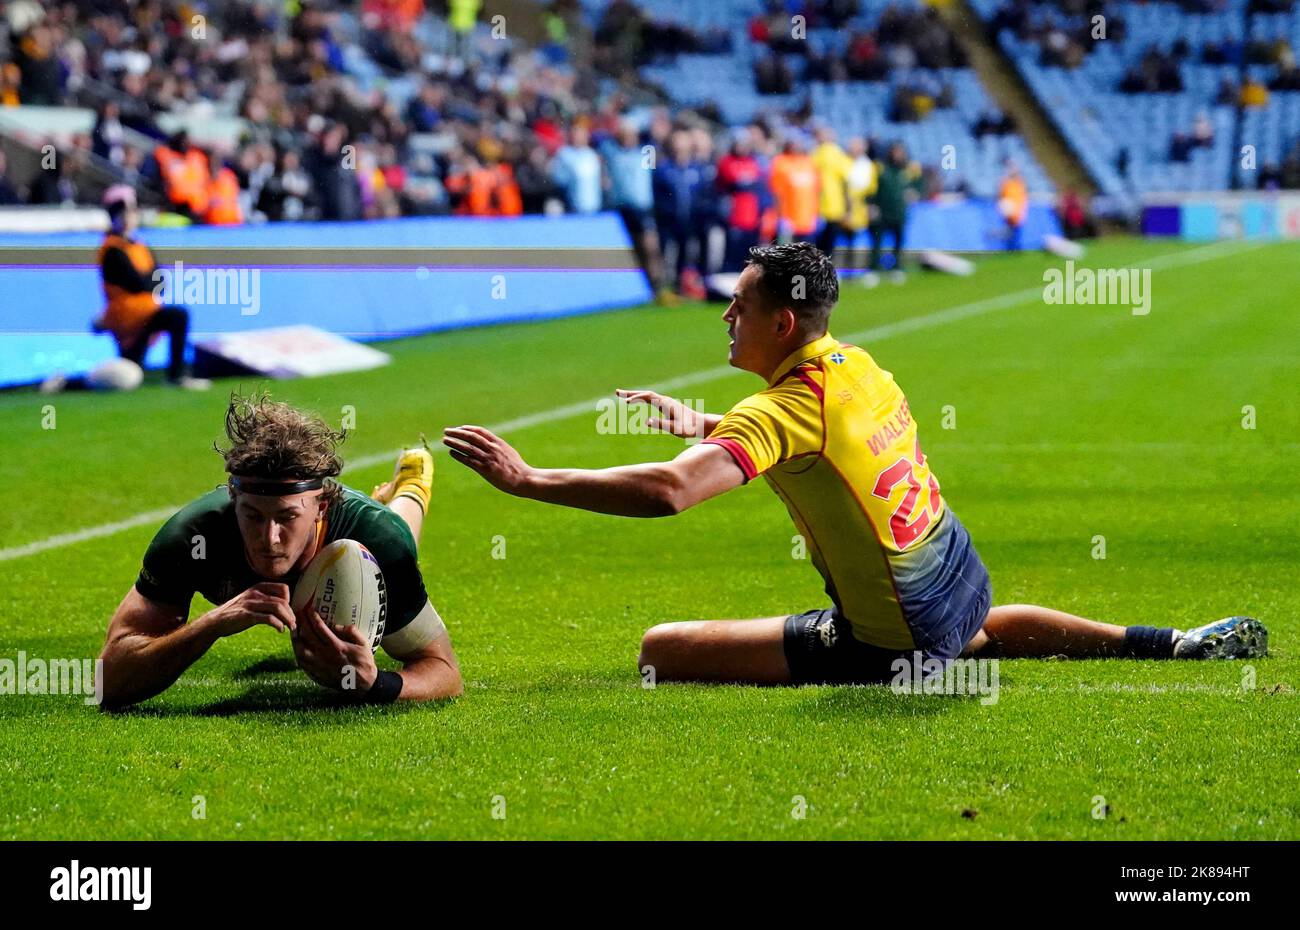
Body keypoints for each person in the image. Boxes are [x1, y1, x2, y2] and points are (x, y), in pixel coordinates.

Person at [443, 243, 1267, 687]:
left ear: (783, 321)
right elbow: (817, 446)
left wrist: (529, 480)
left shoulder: (782, 408)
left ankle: (913, 655)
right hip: (962, 579)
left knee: (660, 649)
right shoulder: (855, 367)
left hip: (896, 638)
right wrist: (704, 421)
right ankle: (1168, 644)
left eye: (741, 304)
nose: (726, 315)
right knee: (972, 634)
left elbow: (670, 491)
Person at [98, 394, 463, 708]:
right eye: (253, 516)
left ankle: (412, 486)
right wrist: (210, 625)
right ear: (233, 498)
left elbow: (445, 672)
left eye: (287, 516)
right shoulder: (194, 535)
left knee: (399, 540)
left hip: (368, 535)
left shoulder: (377, 536)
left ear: (321, 506)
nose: (269, 537)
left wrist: (375, 684)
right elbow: (108, 682)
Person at [93, 186, 210, 390]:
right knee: (129, 372)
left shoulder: (139, 245)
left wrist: (148, 282)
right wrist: (148, 281)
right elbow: (138, 282)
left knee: (177, 317)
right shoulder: (112, 249)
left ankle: (177, 374)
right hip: (128, 318)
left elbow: (158, 281)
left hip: (148, 313)